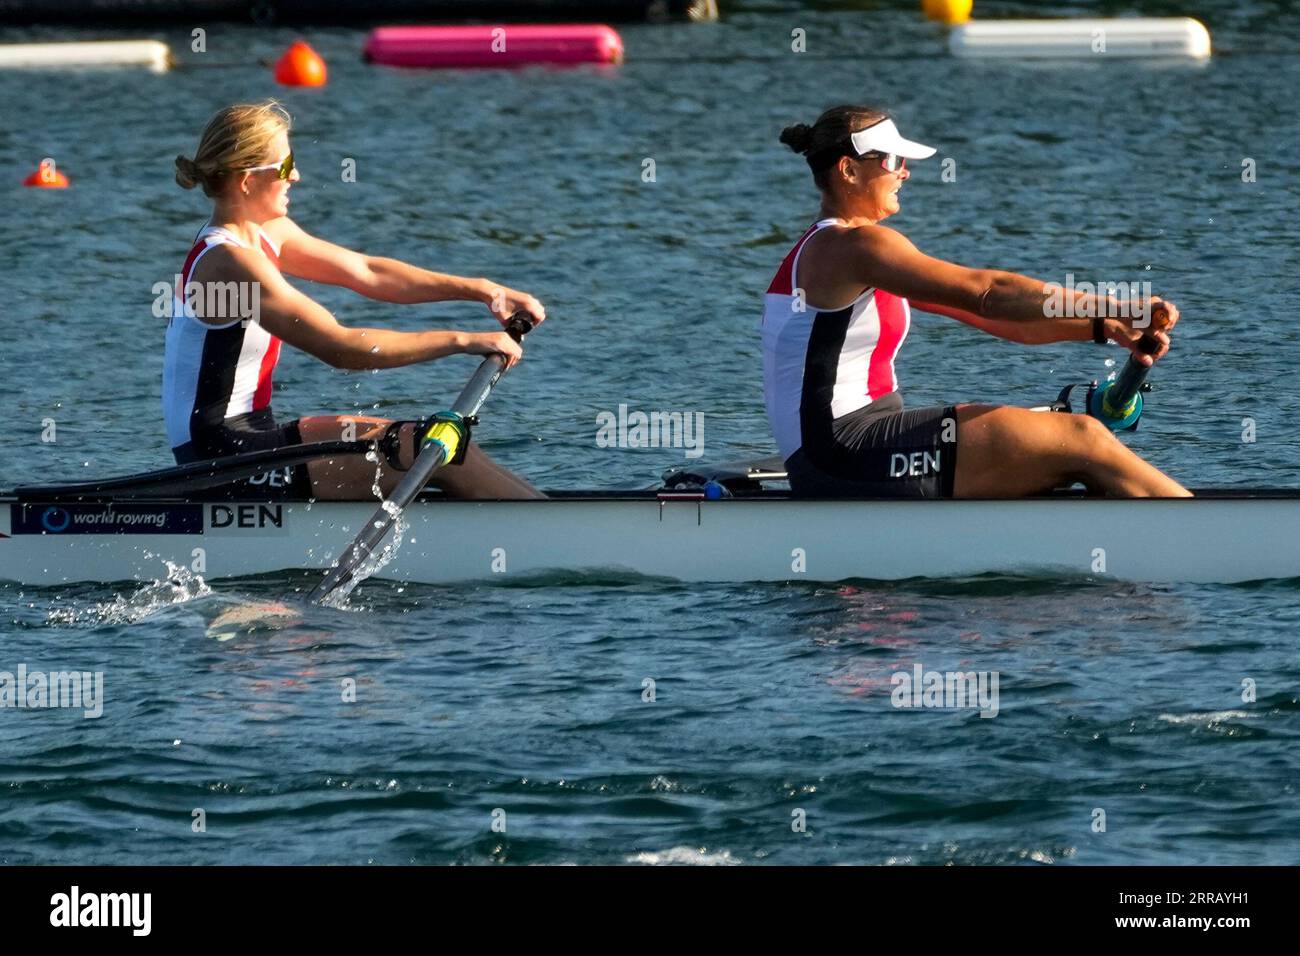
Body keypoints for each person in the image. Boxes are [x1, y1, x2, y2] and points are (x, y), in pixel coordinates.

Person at [764, 104, 1190, 498]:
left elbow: (995, 319)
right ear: (848, 170)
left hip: (853, 446)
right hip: (842, 452)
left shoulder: (845, 253)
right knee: (1082, 437)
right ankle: (1197, 539)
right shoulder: (854, 247)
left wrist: (1100, 328)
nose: (905, 173)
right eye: (893, 161)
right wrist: (1116, 306)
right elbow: (989, 293)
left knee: (1062, 447)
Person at [168, 100, 543, 501]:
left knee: (447, 447)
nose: (295, 175)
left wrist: (483, 289)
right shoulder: (230, 261)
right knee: (440, 454)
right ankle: (559, 534)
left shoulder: (265, 232)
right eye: (283, 166)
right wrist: (465, 342)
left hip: (252, 434)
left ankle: (545, 519)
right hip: (221, 459)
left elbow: (368, 273)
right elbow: (340, 347)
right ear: (246, 181)